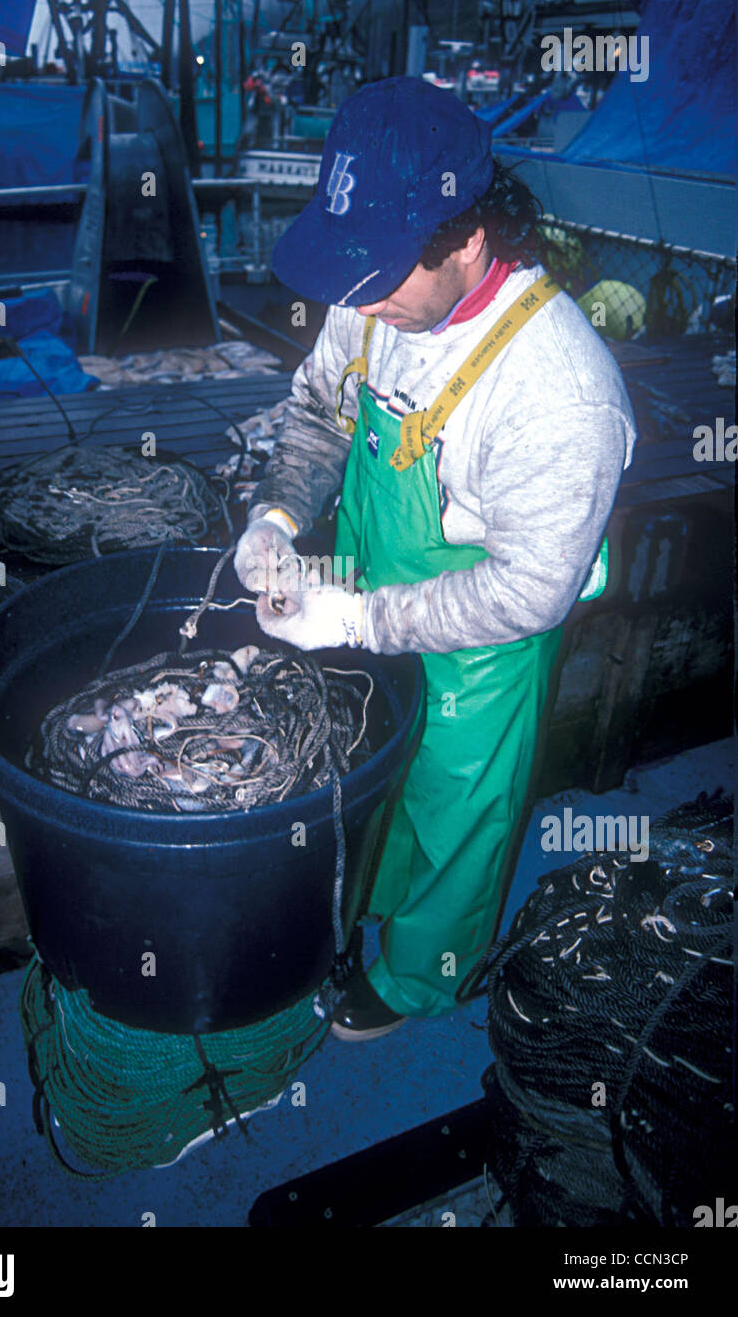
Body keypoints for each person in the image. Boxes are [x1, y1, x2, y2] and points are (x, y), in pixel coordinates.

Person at [234, 76, 637, 1043]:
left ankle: (427, 977)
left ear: (467, 237)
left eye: (378, 277)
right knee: (381, 765)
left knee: (460, 804)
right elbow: (320, 414)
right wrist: (280, 516)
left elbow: (529, 589)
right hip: (368, 584)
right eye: (349, 276)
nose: (358, 300)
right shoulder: (369, 298)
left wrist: (362, 620)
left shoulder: (560, 391)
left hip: (485, 638)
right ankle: (374, 901)